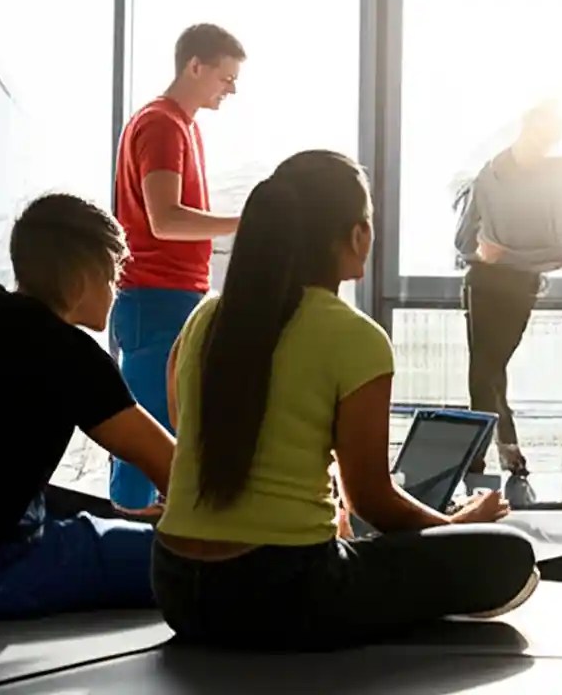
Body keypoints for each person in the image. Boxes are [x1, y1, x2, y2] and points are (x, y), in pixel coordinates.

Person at [151, 150, 538, 650]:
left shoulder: (201, 321)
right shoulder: (355, 336)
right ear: (358, 235)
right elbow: (371, 501)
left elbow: (191, 444)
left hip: (176, 587)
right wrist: (455, 525)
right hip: (285, 591)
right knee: (509, 556)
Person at [0, 194, 175, 618]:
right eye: (113, 277)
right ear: (83, 279)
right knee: (189, 561)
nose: (116, 291)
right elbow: (174, 469)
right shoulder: (70, 353)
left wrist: (119, 514)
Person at [109, 23, 245, 511]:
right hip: (155, 295)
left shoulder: (182, 125)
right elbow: (164, 220)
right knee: (142, 437)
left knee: (161, 433)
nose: (231, 89)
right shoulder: (163, 125)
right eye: (225, 78)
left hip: (172, 297)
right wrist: (244, 222)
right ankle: (124, 540)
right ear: (195, 66)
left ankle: (145, 542)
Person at [454, 100, 562, 477]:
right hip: (481, 282)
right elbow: (462, 242)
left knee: (491, 370)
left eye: (550, 138)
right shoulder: (488, 175)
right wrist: (483, 251)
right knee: (484, 371)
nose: (542, 143)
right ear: (524, 127)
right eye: (538, 132)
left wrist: (507, 255)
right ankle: (487, 457)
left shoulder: (557, 181)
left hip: (519, 288)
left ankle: (497, 450)